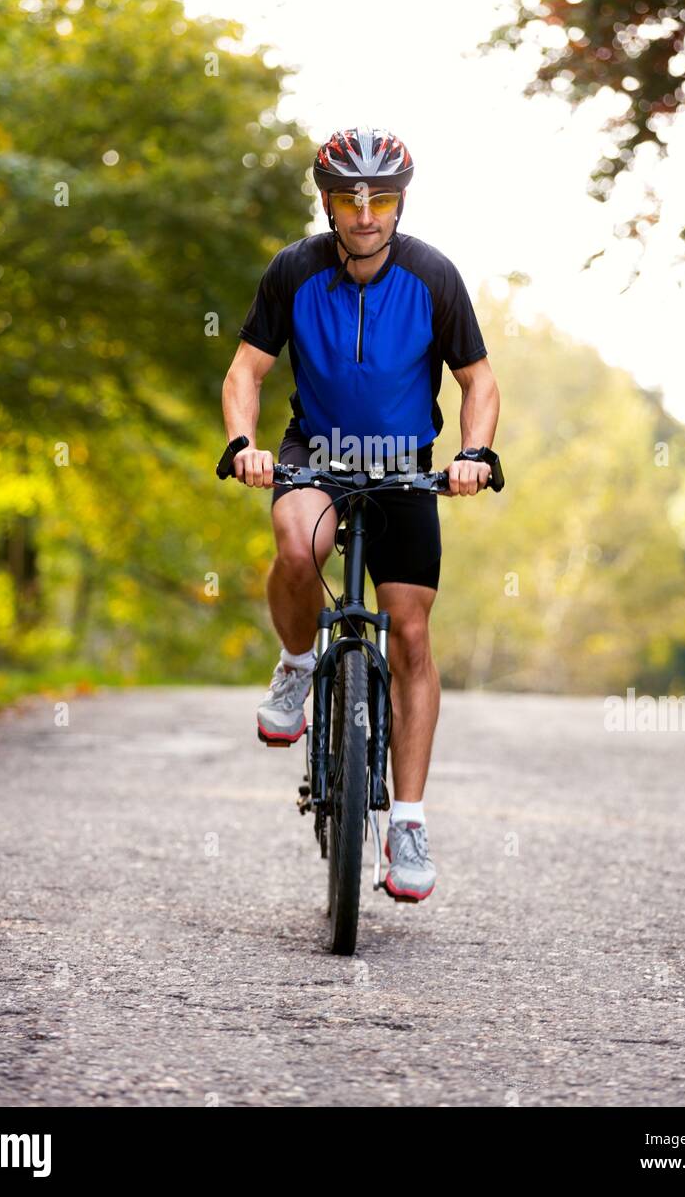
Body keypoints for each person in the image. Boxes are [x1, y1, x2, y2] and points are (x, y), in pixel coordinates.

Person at [220, 125, 501, 900]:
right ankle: (297, 664)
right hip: (316, 450)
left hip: (405, 465)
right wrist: (243, 442)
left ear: (400, 202)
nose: (365, 212)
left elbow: (478, 381)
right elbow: (245, 370)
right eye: (349, 197)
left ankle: (406, 823)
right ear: (327, 201)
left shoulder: (433, 276)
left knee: (409, 631)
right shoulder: (294, 271)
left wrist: (473, 455)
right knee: (295, 546)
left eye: (381, 197)